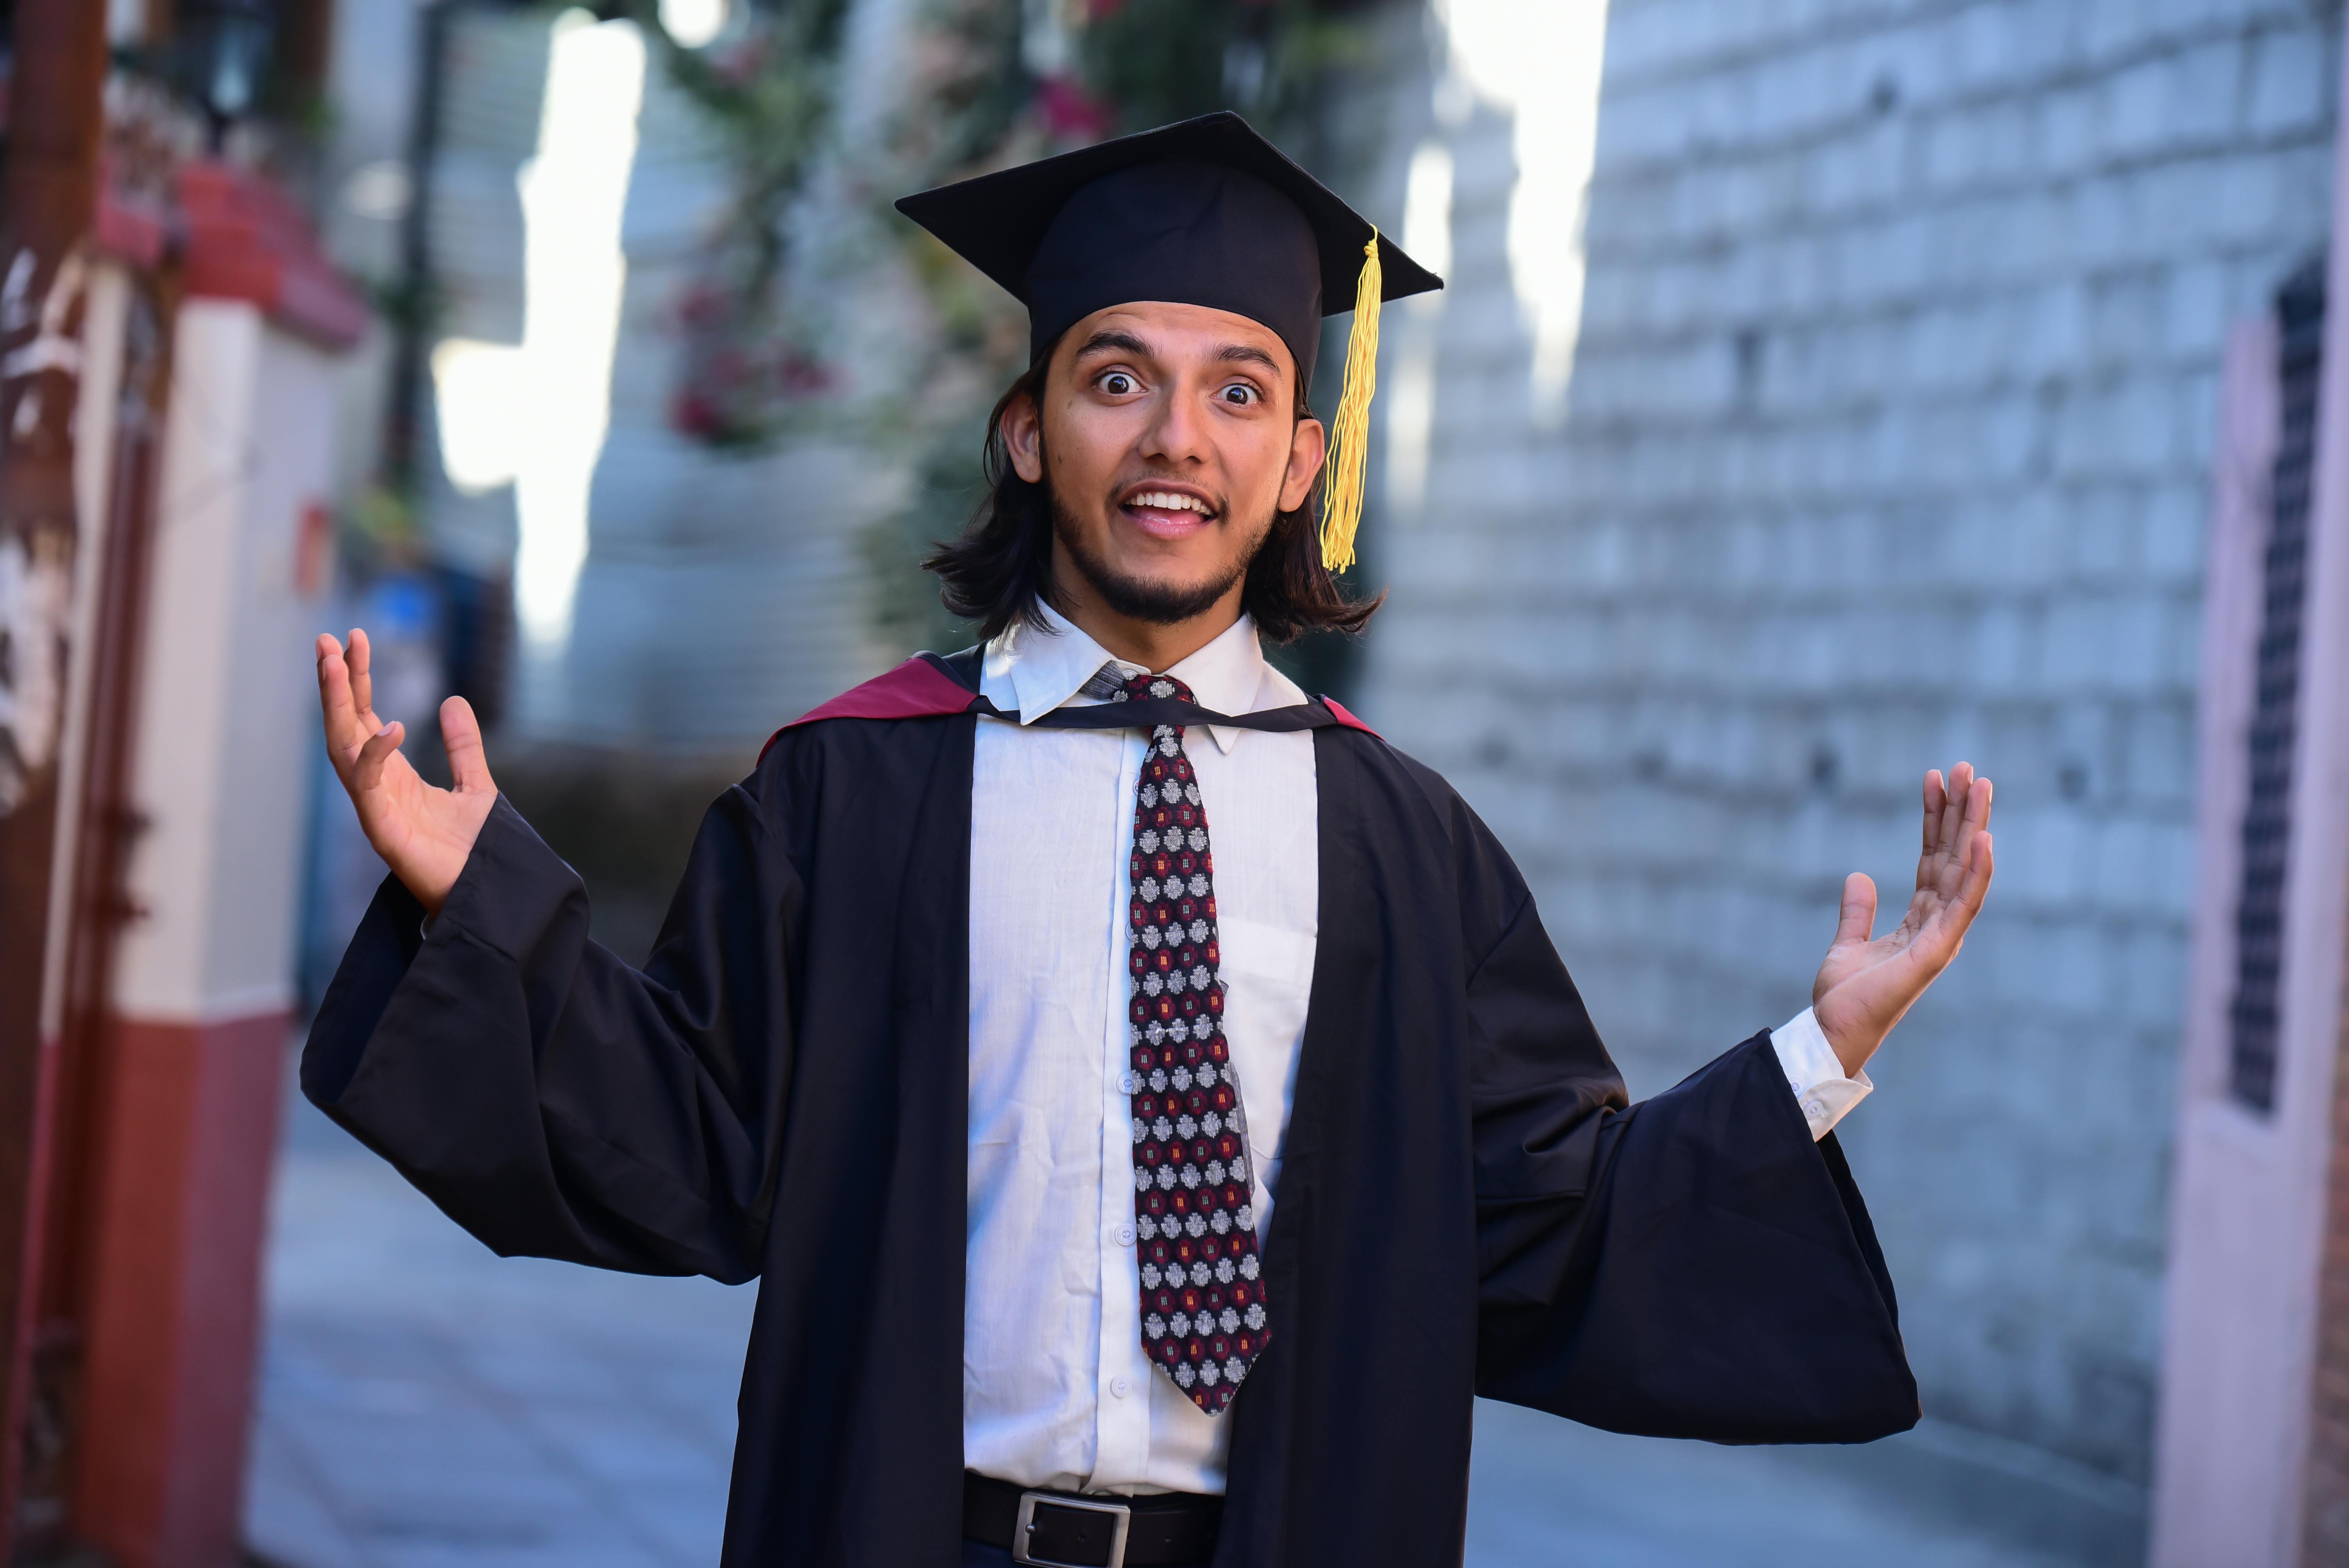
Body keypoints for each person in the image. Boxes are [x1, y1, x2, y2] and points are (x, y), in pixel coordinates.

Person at [305, 112, 1994, 1568]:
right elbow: (686, 1137)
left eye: (1237, 393)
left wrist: (1818, 1051)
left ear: (1295, 463)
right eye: (1118, 379)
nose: (1177, 437)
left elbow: (1548, 1218)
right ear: (1033, 432)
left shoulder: (1402, 847)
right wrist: (480, 894)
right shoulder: (859, 790)